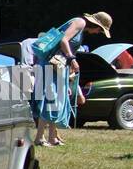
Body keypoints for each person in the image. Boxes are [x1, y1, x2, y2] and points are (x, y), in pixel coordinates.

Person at [32, 11, 112, 146]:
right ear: (96, 24)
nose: (99, 32)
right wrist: (72, 58)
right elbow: (63, 39)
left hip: (58, 66)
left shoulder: (82, 29)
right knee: (50, 100)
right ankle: (39, 138)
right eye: (100, 30)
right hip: (50, 64)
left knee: (57, 101)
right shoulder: (80, 22)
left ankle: (52, 137)